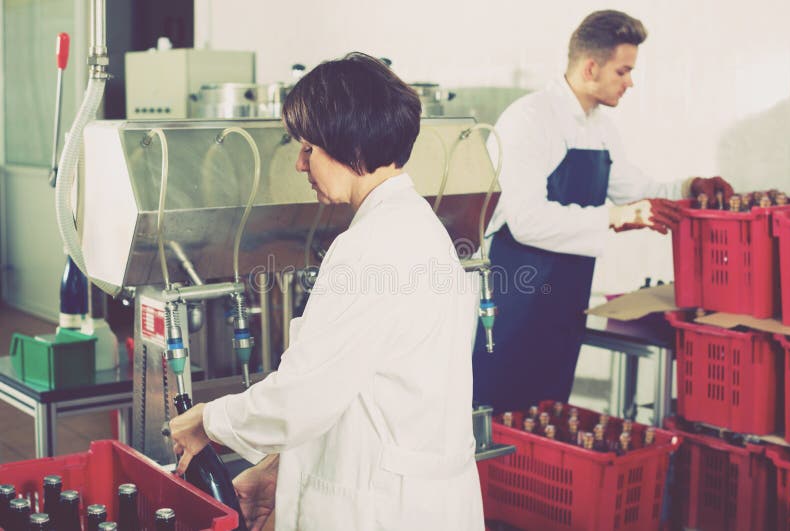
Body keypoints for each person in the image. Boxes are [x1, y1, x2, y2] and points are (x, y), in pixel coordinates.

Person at [170, 52, 484, 531]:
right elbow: (352, 388)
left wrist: (207, 421)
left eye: (308, 148)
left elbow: (300, 398)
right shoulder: (416, 226)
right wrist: (276, 471)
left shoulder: (372, 247)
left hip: (383, 509)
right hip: (413, 496)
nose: (300, 164)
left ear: (349, 145)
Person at [472, 10, 734, 411]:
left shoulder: (599, 128)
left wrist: (689, 188)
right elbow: (526, 220)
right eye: (623, 71)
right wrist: (616, 216)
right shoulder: (530, 119)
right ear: (591, 67)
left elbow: (638, 191)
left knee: (549, 410)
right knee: (500, 410)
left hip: (566, 298)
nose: (630, 82)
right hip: (517, 296)